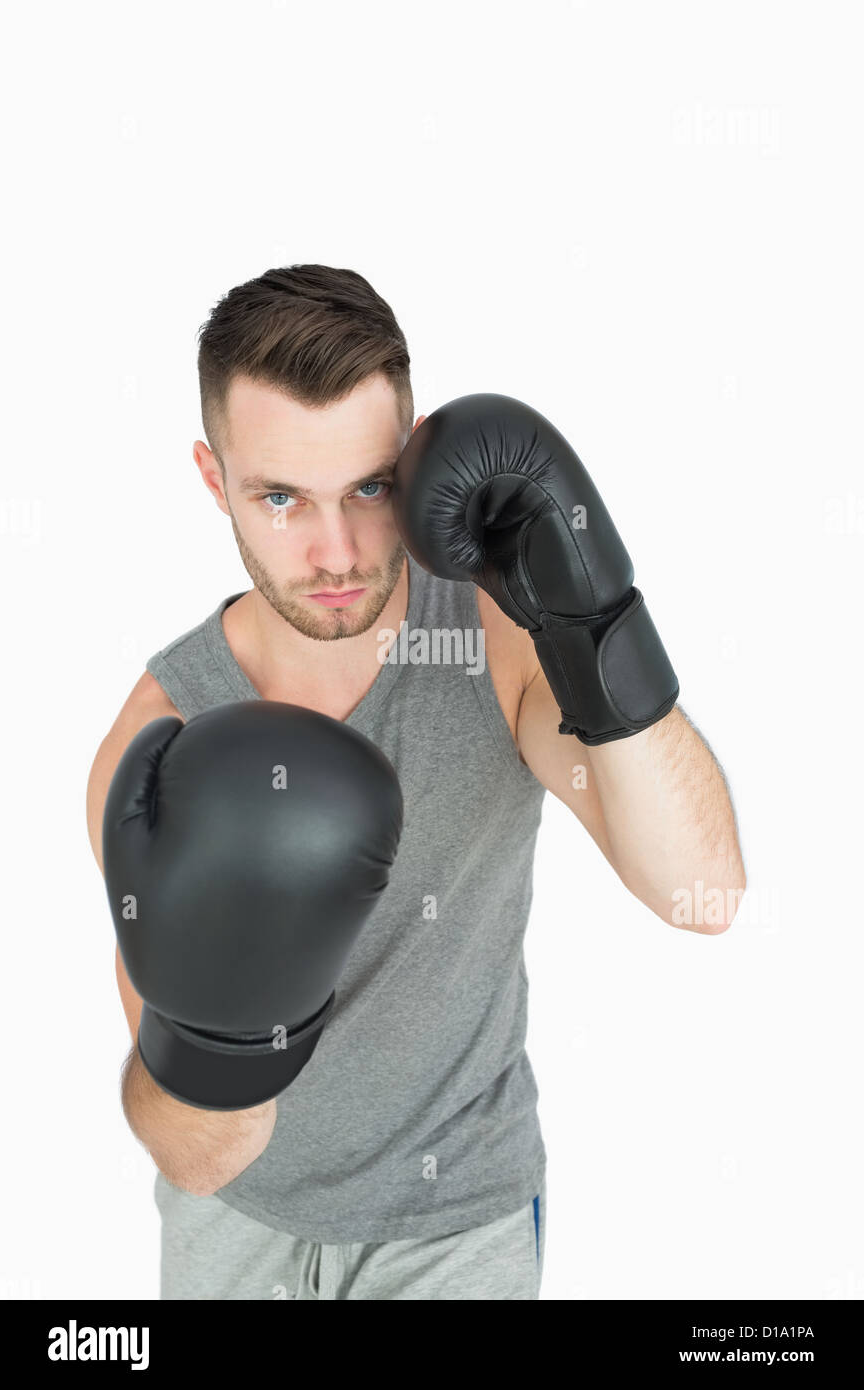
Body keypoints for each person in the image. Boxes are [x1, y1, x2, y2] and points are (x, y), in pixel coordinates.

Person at [86, 263, 746, 1300]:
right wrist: (222, 1031)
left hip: (457, 1226)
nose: (336, 551)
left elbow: (698, 888)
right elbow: (195, 1153)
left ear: (415, 456)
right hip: (235, 1232)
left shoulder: (490, 638)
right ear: (215, 483)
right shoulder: (163, 738)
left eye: (367, 488)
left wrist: (593, 619)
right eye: (280, 499)